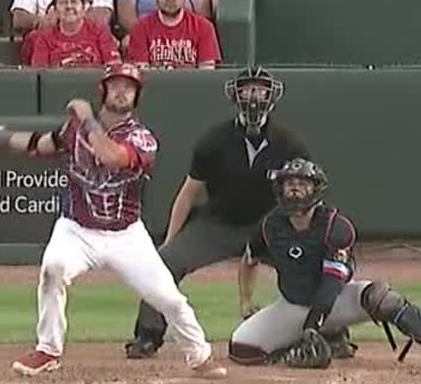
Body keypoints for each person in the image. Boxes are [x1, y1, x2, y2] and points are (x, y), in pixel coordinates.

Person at [0, 63, 229, 379]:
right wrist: (2, 137)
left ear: (137, 95)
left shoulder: (142, 138)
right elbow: (41, 144)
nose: (123, 91)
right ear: (104, 90)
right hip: (77, 228)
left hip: (125, 233)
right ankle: (48, 350)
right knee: (53, 269)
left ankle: (200, 356)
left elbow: (111, 156)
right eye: (116, 85)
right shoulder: (74, 130)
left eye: (130, 86)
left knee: (168, 297)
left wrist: (86, 118)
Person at [124, 67, 309, 359]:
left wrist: (303, 237)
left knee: (311, 265)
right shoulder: (215, 140)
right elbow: (188, 193)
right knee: (164, 263)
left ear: (271, 95)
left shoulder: (289, 143)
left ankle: (331, 333)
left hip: (270, 225)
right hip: (219, 222)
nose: (253, 96)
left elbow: (303, 197)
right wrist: (171, 240)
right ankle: (148, 335)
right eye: (247, 89)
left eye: (259, 89)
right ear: (235, 94)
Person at [229, 158, 421, 371]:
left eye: (302, 184)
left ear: (315, 189)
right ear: (279, 190)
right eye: (289, 184)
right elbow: (248, 260)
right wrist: (245, 302)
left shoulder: (335, 226)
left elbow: (332, 283)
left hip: (337, 302)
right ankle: (326, 340)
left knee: (382, 299)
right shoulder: (270, 225)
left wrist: (312, 326)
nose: (295, 189)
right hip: (293, 305)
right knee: (242, 348)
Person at [25, 0, 120, 68]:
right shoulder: (45, 37)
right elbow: (40, 72)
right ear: (55, 10)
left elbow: (113, 66)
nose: (69, 7)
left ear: (83, 8)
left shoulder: (100, 31)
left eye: (74, 2)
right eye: (63, 3)